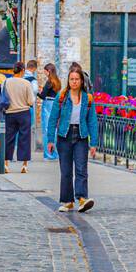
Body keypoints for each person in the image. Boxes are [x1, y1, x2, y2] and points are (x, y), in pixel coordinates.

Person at [48, 67, 99, 214]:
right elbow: (53, 118)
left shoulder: (87, 98)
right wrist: (50, 140)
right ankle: (68, 201)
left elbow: (92, 121)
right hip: (64, 135)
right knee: (66, 171)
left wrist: (93, 143)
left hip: (81, 135)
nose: (74, 82)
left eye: (77, 79)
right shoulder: (62, 96)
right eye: (72, 79)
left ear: (81, 81)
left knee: (81, 169)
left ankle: (82, 198)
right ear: (68, 81)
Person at [3, 63, 36, 173]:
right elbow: (31, 101)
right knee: (24, 138)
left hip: (10, 113)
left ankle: (6, 163)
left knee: (9, 138)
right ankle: (24, 165)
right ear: (22, 70)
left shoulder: (6, 82)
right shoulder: (26, 83)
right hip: (23, 112)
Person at [39, 64, 61, 162]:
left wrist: (36, 92)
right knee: (54, 129)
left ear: (48, 71)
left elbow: (43, 96)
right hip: (55, 104)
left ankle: (49, 154)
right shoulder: (57, 81)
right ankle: (54, 153)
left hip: (48, 104)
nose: (44, 73)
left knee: (46, 129)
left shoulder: (49, 82)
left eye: (45, 71)